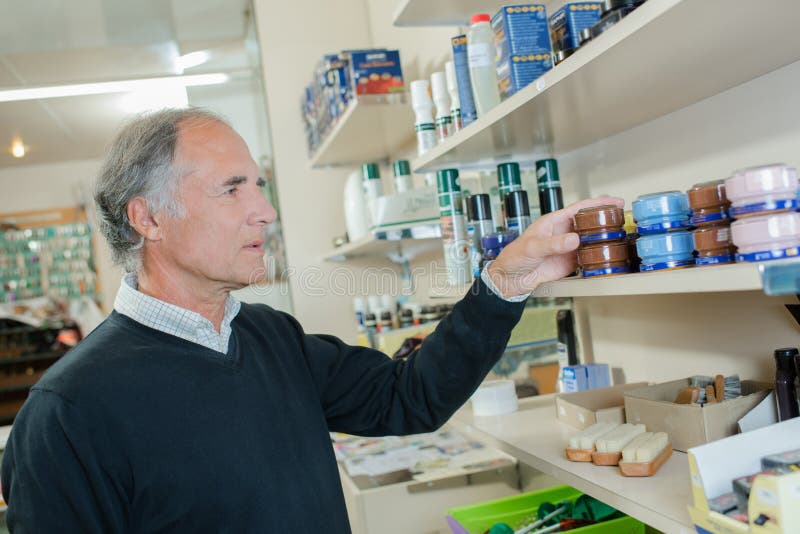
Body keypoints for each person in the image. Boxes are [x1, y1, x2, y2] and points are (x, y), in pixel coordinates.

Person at [1, 108, 621, 532]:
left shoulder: (269, 337)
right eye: (233, 189)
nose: (265, 211)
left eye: (261, 186)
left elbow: (410, 398)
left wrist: (506, 281)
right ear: (148, 219)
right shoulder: (68, 413)